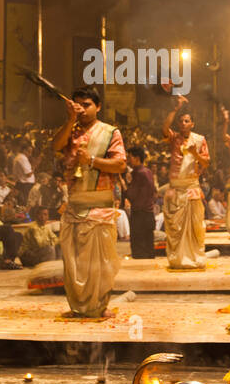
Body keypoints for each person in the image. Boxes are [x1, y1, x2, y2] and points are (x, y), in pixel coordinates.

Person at [49, 87, 125, 317]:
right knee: (73, 264)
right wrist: (70, 119)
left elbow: (120, 164)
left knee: (100, 264)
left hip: (100, 205)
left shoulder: (110, 132)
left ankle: (98, 306)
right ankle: (79, 306)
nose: (82, 108)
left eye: (87, 104)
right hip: (75, 204)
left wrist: (91, 160)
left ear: (98, 106)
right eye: (78, 104)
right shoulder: (70, 131)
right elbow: (55, 146)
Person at [162, 95, 213, 270]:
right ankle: (177, 259)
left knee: (194, 226)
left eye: (187, 121)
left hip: (191, 187)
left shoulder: (199, 140)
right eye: (181, 121)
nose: (183, 124)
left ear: (192, 124)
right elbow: (164, 129)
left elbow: (206, 162)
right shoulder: (174, 138)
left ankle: (193, 257)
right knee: (175, 228)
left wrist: (195, 154)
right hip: (176, 188)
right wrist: (175, 109)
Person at [124, 146, 156, 260]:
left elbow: (132, 195)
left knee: (140, 251)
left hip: (140, 215)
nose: (128, 160)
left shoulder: (138, 174)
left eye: (129, 157)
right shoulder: (148, 171)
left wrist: (125, 183)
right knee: (148, 250)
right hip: (148, 214)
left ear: (137, 158)